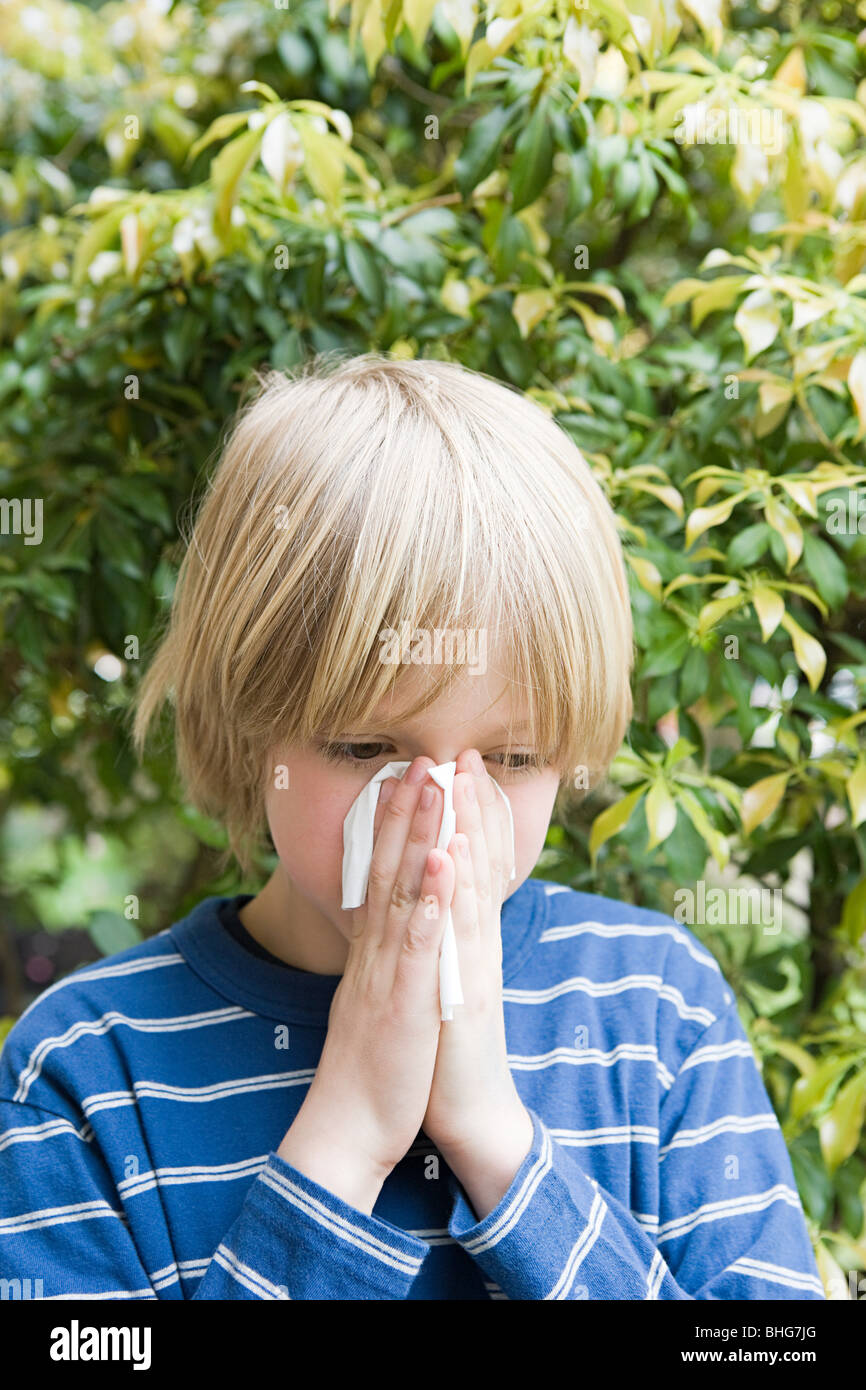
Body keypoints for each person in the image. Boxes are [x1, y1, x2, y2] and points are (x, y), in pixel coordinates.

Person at [0, 353, 825, 1299]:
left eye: (511, 760)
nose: (437, 822)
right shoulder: (89, 1071)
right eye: (363, 748)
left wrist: (500, 1146)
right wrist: (343, 1138)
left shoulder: (656, 1009)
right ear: (247, 716)